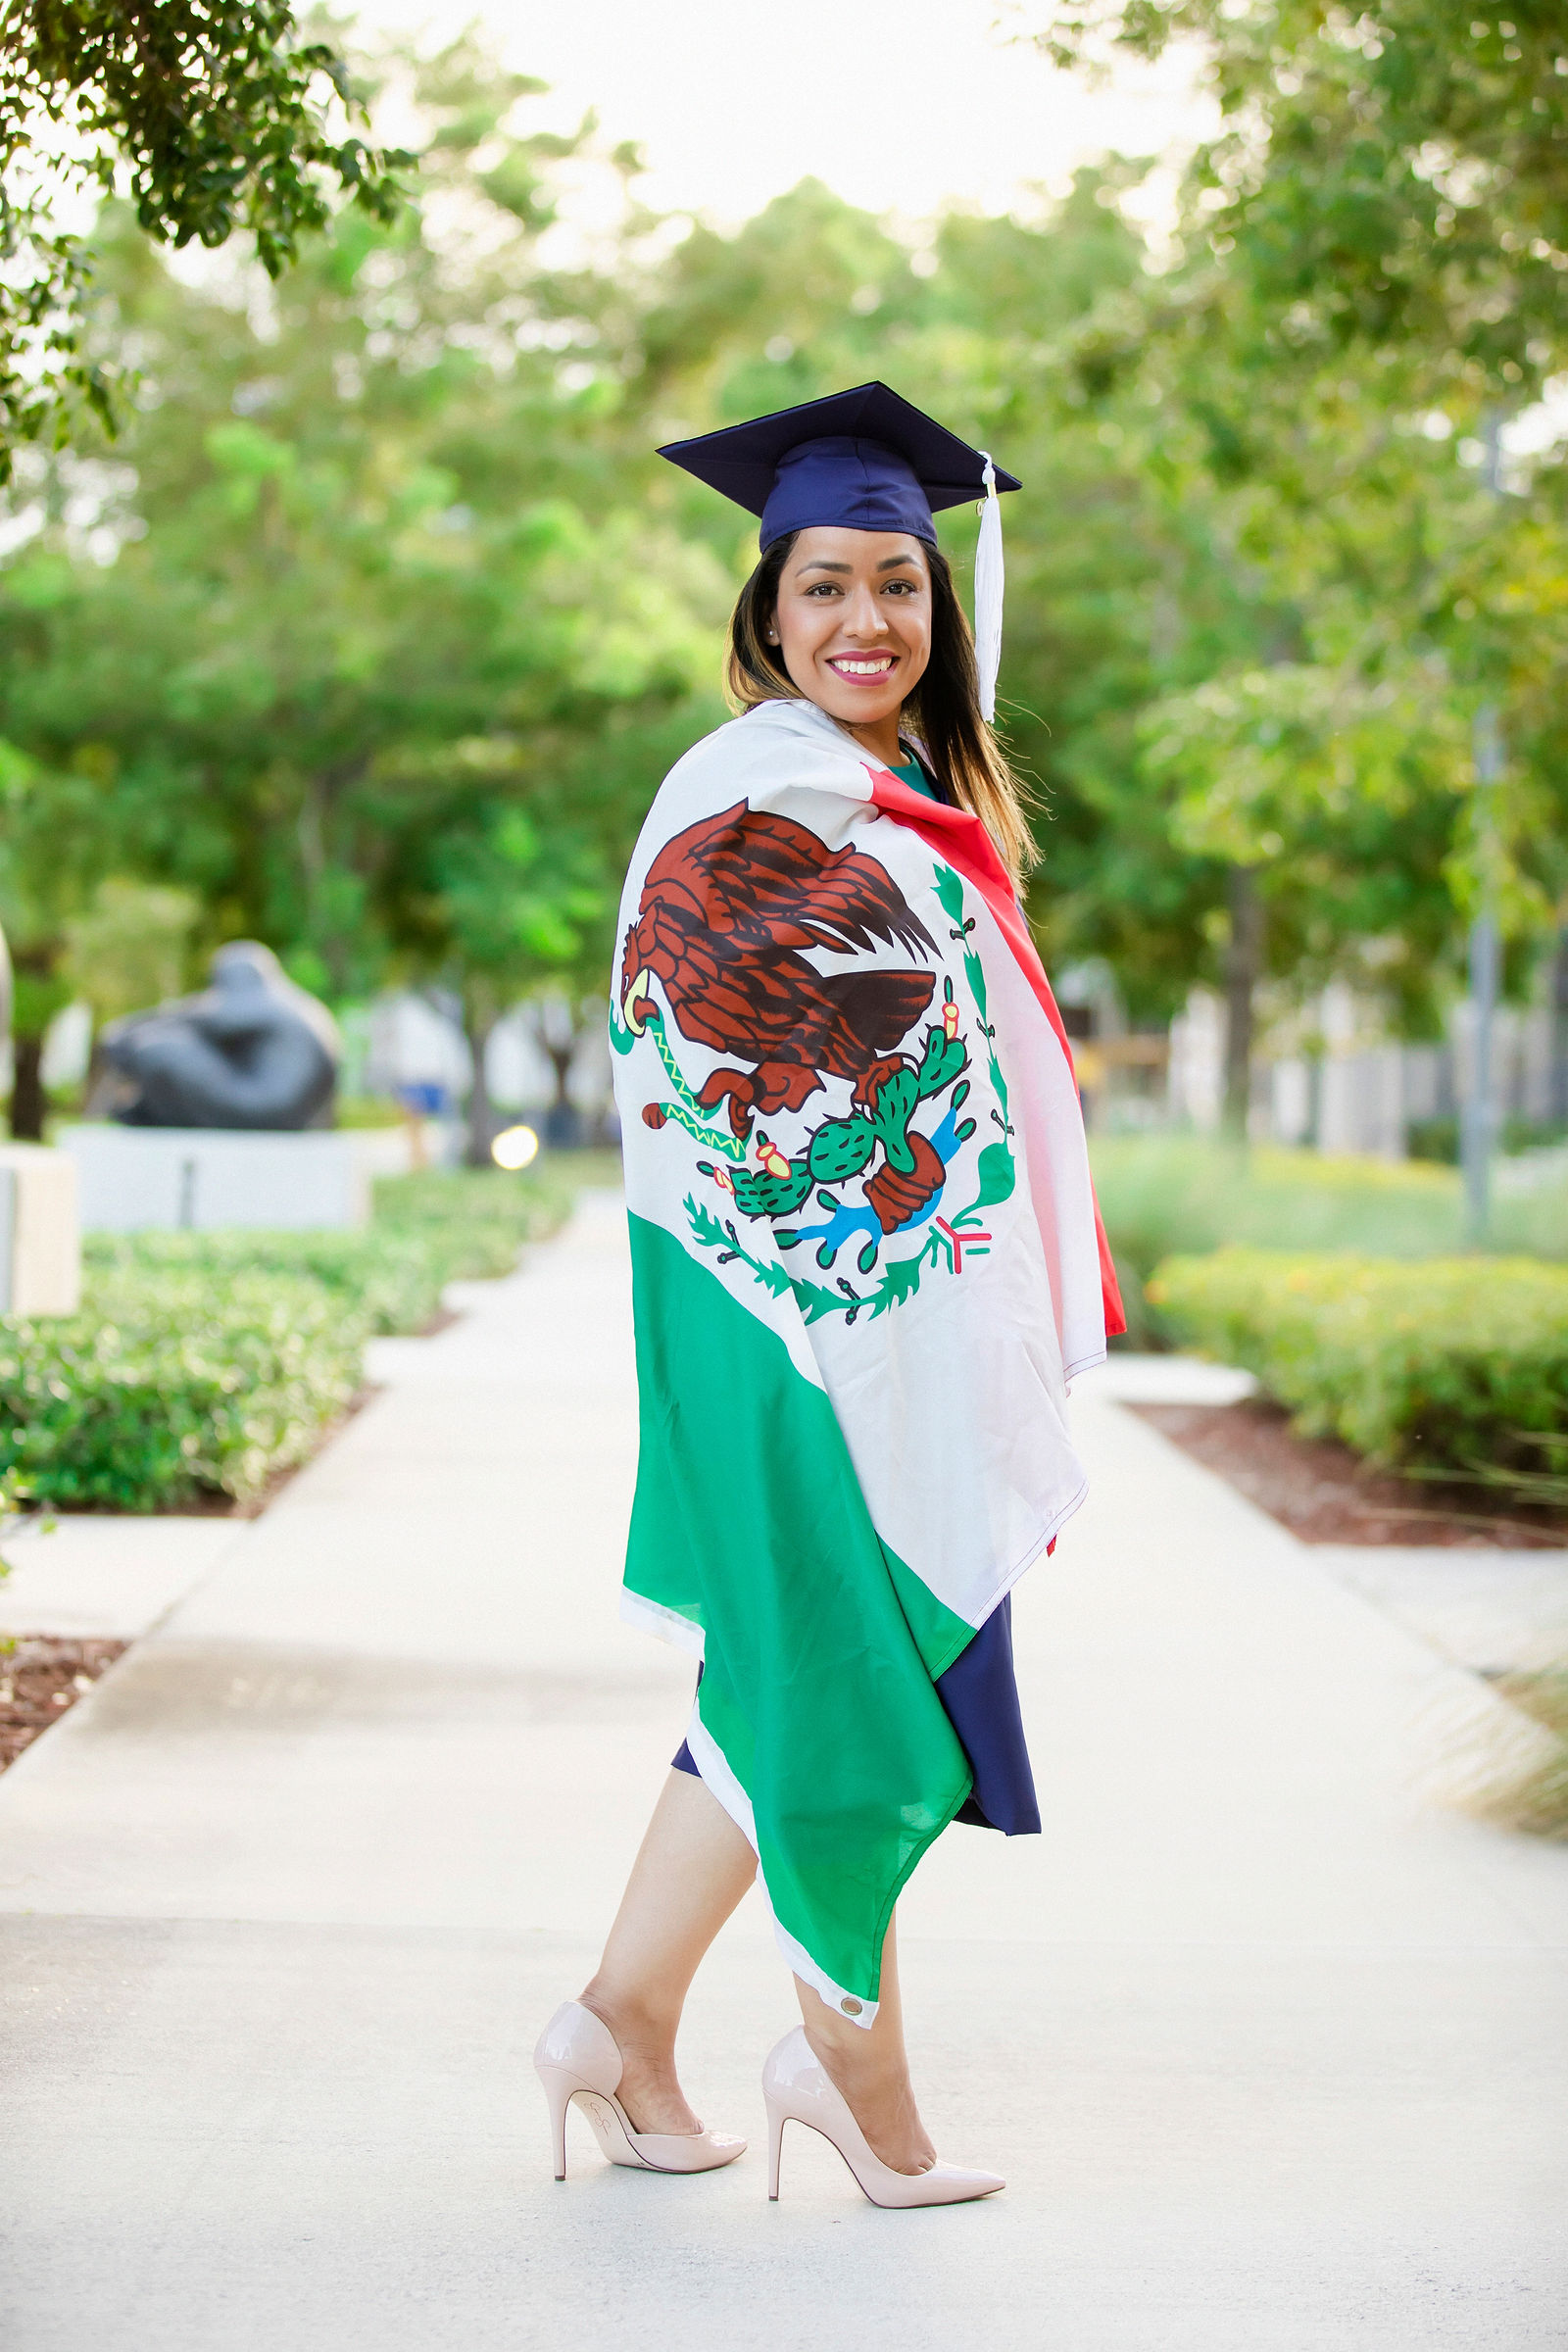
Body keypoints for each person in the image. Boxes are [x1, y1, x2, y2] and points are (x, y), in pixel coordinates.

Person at [534, 382, 1124, 2209]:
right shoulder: (751, 793)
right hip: (815, 1338)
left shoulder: (903, 801)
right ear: (767, 618)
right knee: (858, 1692)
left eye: (902, 585)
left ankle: (620, 2024)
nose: (869, 621)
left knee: (787, 1672)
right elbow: (727, 1096)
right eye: (826, 590)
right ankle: (854, 2073)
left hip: (885, 1325)